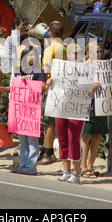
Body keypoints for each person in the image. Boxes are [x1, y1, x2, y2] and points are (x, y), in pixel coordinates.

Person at [0, 46, 47, 175]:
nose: (33, 58)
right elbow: (15, 88)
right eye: (30, 55)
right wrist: (3, 89)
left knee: (32, 140)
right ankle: (22, 165)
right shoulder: (19, 72)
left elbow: (44, 88)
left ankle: (31, 167)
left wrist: (30, 81)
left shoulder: (39, 72)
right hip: (20, 112)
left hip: (32, 112)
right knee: (23, 140)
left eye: (35, 55)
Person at [54, 43, 85, 184]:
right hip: (61, 107)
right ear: (68, 55)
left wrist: (93, 87)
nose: (78, 56)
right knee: (62, 139)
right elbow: (55, 83)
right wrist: (50, 80)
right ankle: (65, 171)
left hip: (77, 109)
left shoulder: (85, 69)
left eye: (80, 53)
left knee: (73, 139)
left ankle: (76, 173)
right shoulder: (60, 69)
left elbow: (92, 85)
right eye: (75, 53)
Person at [81, 43, 111, 178]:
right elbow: (77, 86)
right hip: (87, 105)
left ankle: (90, 166)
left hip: (100, 104)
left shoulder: (103, 67)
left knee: (97, 136)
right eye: (95, 52)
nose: (98, 54)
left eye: (99, 52)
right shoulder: (84, 66)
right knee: (85, 135)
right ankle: (82, 166)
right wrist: (91, 87)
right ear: (88, 53)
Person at [39, 21, 66, 165]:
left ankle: (48, 152)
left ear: (50, 34)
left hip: (52, 88)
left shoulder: (50, 49)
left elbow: (47, 70)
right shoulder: (66, 48)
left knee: (48, 122)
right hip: (64, 88)